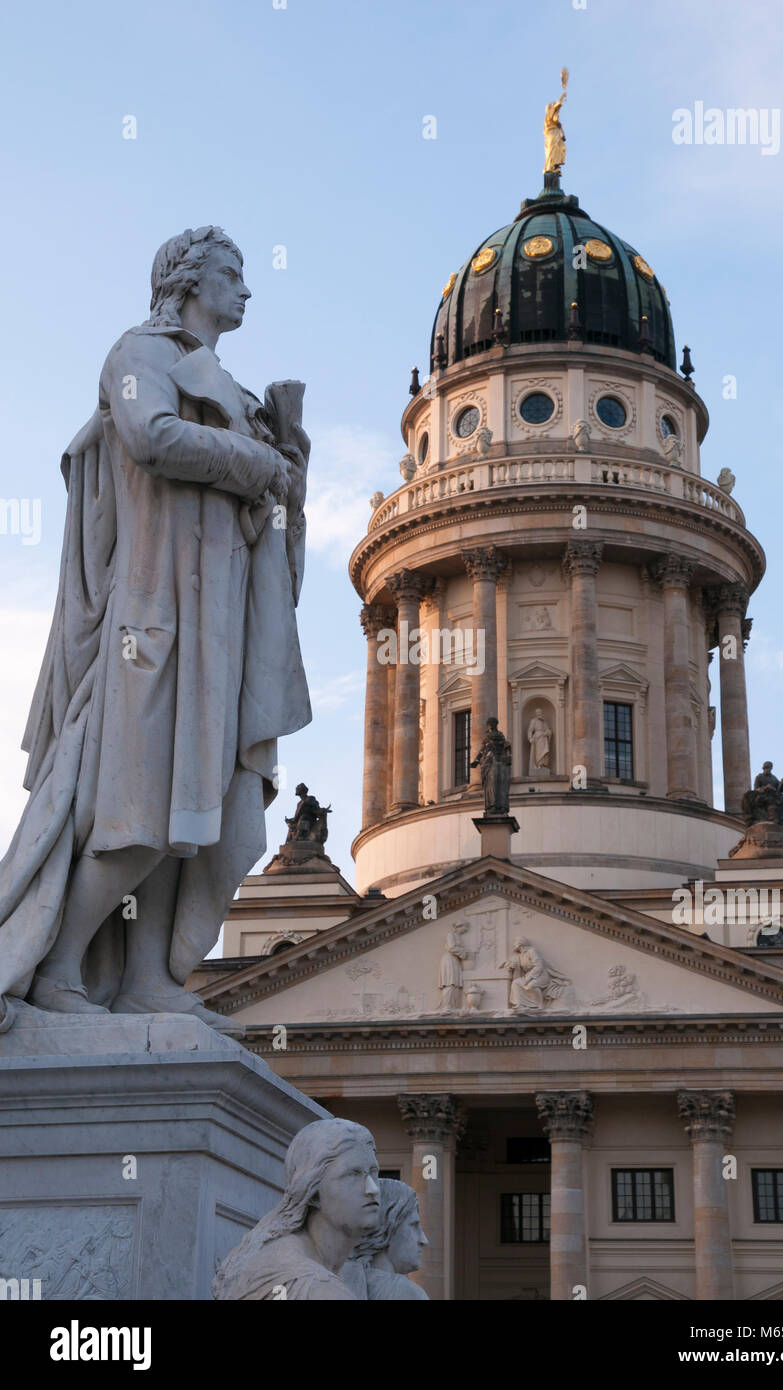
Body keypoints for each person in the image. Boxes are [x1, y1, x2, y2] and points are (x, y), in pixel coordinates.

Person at [0, 226, 310, 1029]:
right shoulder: (139, 355)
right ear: (186, 280)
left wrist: (288, 456)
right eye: (232, 274)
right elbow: (151, 437)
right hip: (155, 610)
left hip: (220, 618)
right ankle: (60, 965)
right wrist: (259, 461)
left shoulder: (233, 391)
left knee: (197, 815)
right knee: (138, 808)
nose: (246, 289)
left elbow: (271, 518)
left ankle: (146, 979)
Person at [212, 1119, 381, 1300]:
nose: (373, 1189)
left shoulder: (312, 1268)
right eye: (352, 1174)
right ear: (313, 1192)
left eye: (373, 1172)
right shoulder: (318, 1288)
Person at [341, 1179, 429, 1300]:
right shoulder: (406, 1292)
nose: (423, 1240)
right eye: (413, 1225)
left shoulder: (335, 1283)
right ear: (387, 1228)